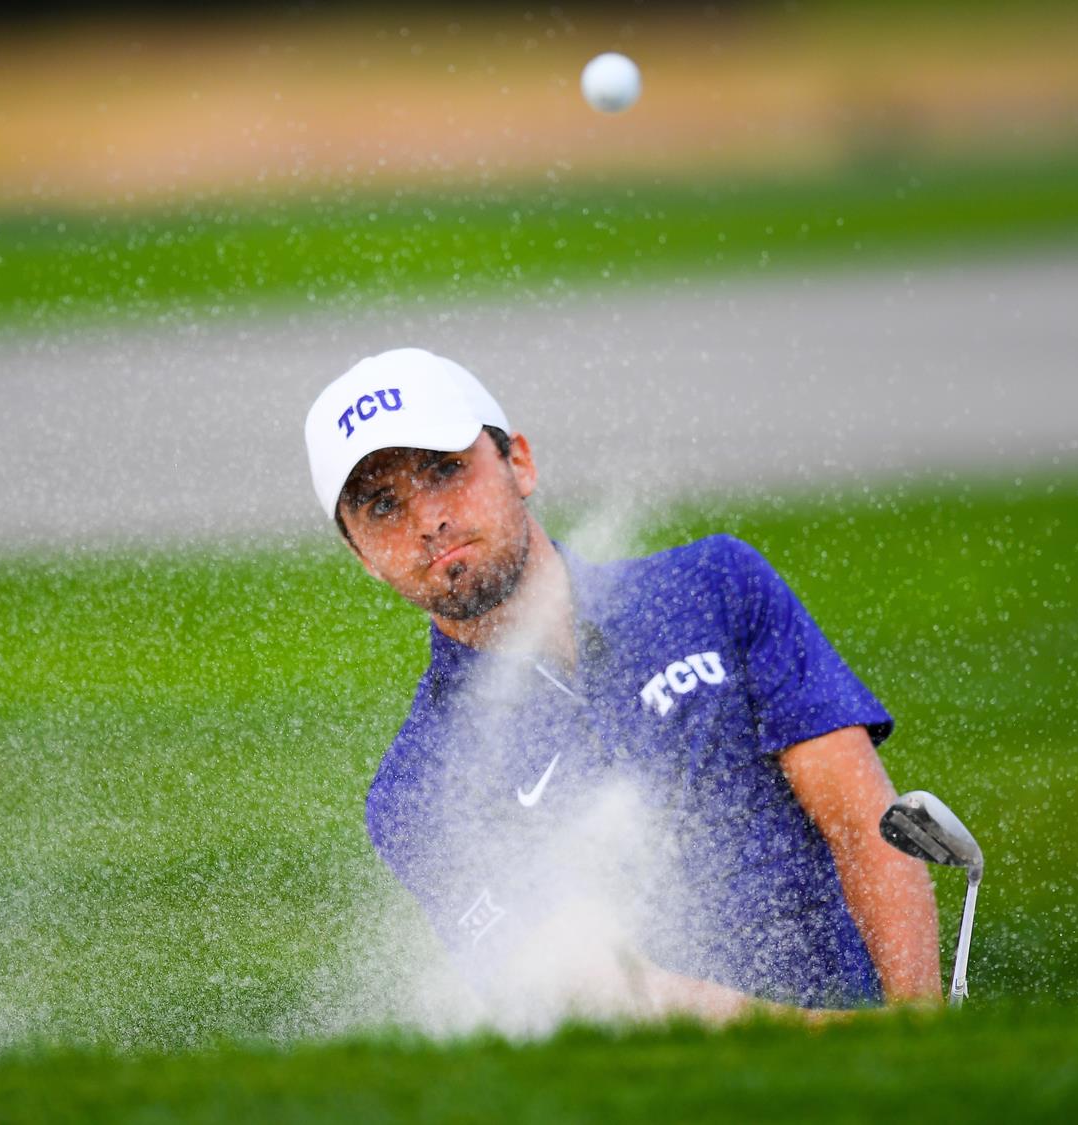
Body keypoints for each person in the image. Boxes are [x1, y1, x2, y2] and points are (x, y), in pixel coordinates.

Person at [303, 347, 941, 1022]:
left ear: (519, 462)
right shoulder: (417, 787)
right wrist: (827, 1039)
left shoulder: (714, 586)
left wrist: (914, 1034)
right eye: (381, 504)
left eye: (445, 470)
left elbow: (863, 822)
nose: (427, 519)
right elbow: (579, 983)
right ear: (363, 557)